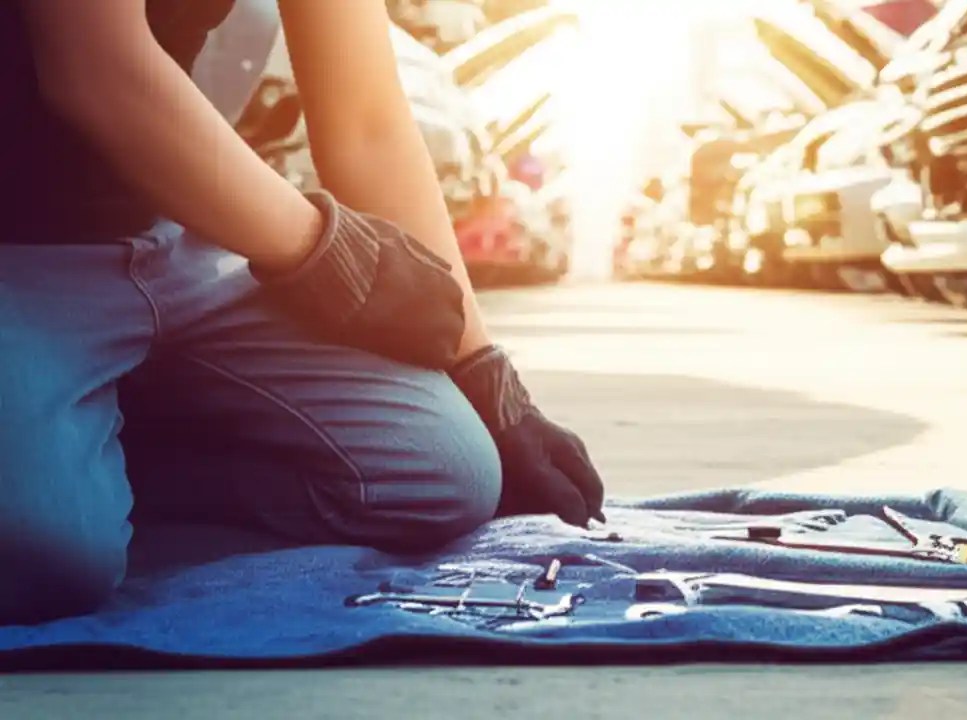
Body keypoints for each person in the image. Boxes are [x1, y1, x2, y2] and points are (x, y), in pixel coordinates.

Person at [0, 0, 605, 626]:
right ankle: (54, 471)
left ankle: (89, 448)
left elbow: (366, 122)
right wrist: (326, 249)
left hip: (167, 231)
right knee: (47, 558)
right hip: (17, 249)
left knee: (441, 475)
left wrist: (484, 374)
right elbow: (99, 73)